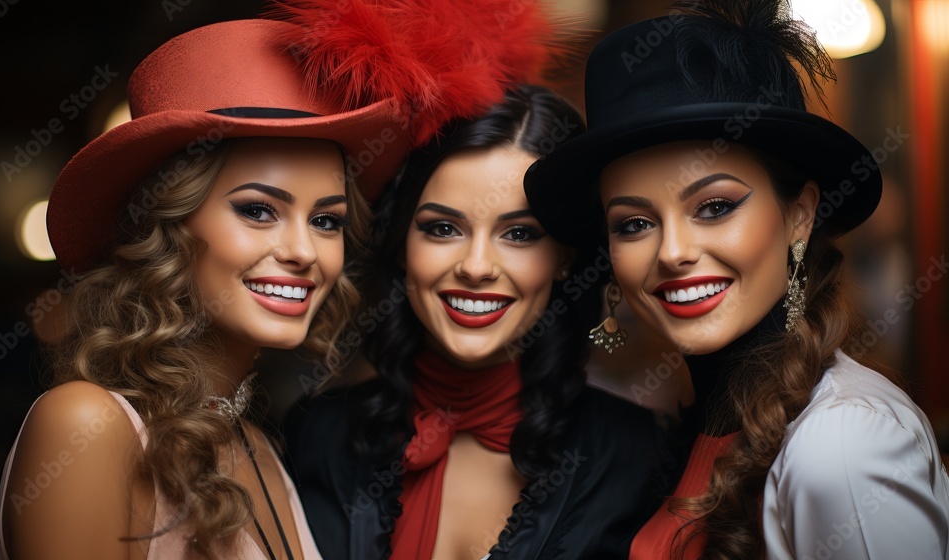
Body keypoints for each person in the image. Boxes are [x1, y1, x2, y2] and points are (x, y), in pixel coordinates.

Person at [524, 0, 949, 558]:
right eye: (633, 223)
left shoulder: (842, 445)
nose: (673, 253)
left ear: (799, 214)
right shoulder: (702, 425)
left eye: (715, 207)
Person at [0, 18, 412, 560]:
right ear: (169, 227)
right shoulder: (88, 427)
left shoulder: (259, 450)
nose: (304, 252)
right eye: (259, 210)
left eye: (327, 221)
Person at [284, 85, 680, 560]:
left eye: (519, 234)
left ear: (565, 257)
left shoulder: (639, 457)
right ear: (402, 243)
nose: (475, 267)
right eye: (442, 228)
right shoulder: (315, 433)